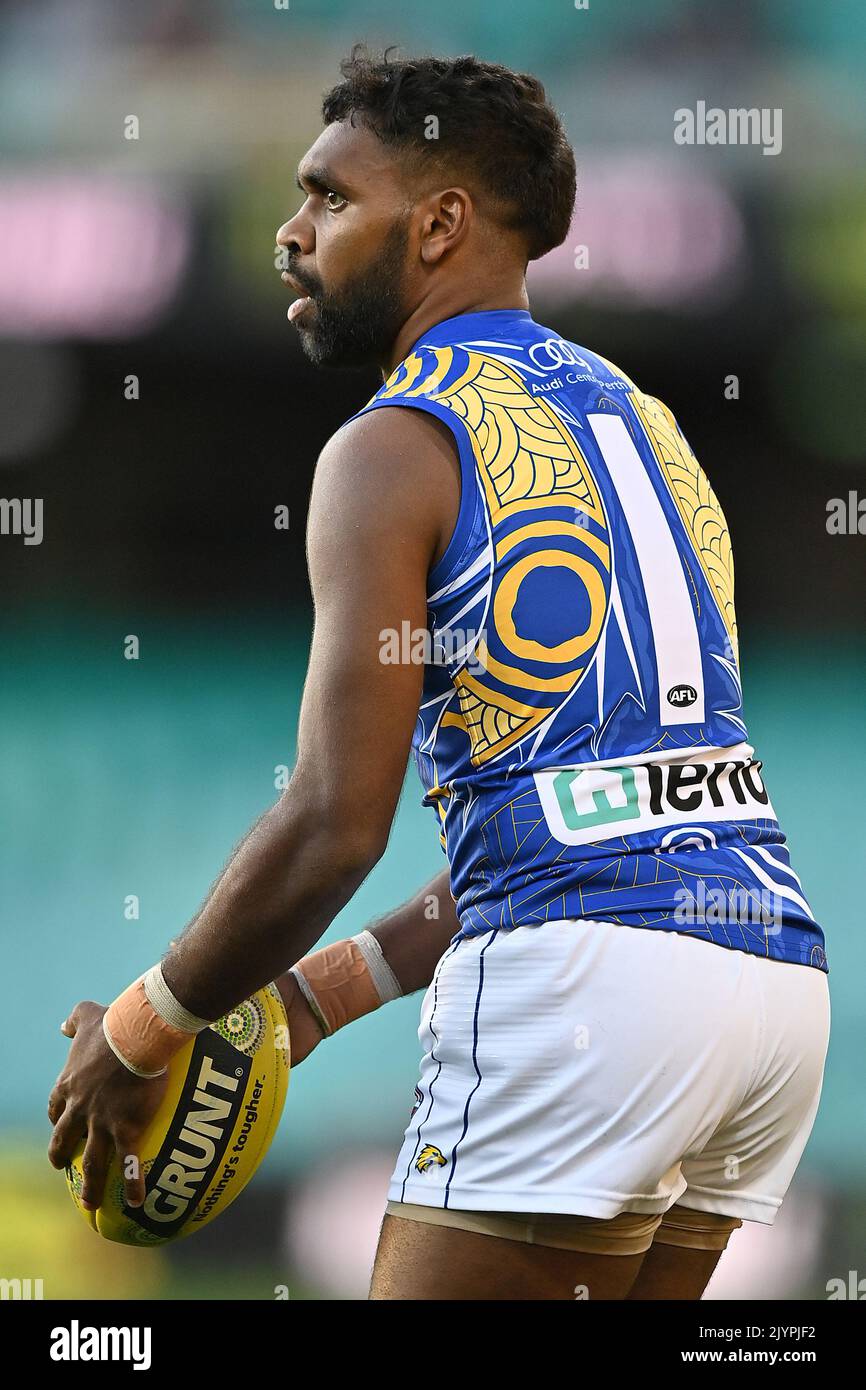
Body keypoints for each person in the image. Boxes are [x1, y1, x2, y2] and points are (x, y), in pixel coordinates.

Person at [48, 47, 830, 1301]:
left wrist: (144, 1033)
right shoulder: (647, 425)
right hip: (768, 983)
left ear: (440, 223)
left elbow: (331, 822)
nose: (290, 235)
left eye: (329, 199)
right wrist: (310, 998)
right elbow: (600, 806)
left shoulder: (394, 444)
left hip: (581, 991)